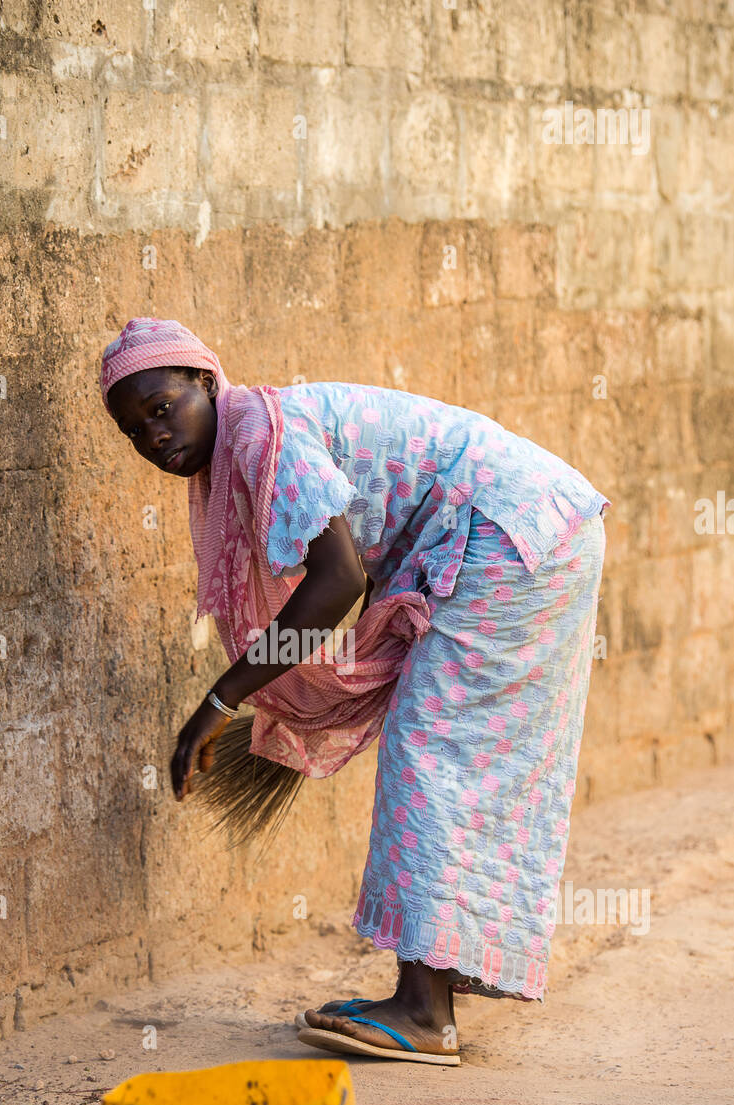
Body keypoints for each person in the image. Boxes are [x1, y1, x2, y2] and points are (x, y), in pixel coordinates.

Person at [101, 318, 610, 1065]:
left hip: (508, 535)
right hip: (523, 527)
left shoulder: (258, 435)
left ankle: (422, 1012)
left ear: (206, 383)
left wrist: (219, 702)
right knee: (461, 758)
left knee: (434, 755)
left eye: (161, 408)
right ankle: (441, 972)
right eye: (133, 431)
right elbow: (354, 557)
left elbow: (336, 583)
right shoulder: (251, 438)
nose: (153, 437)